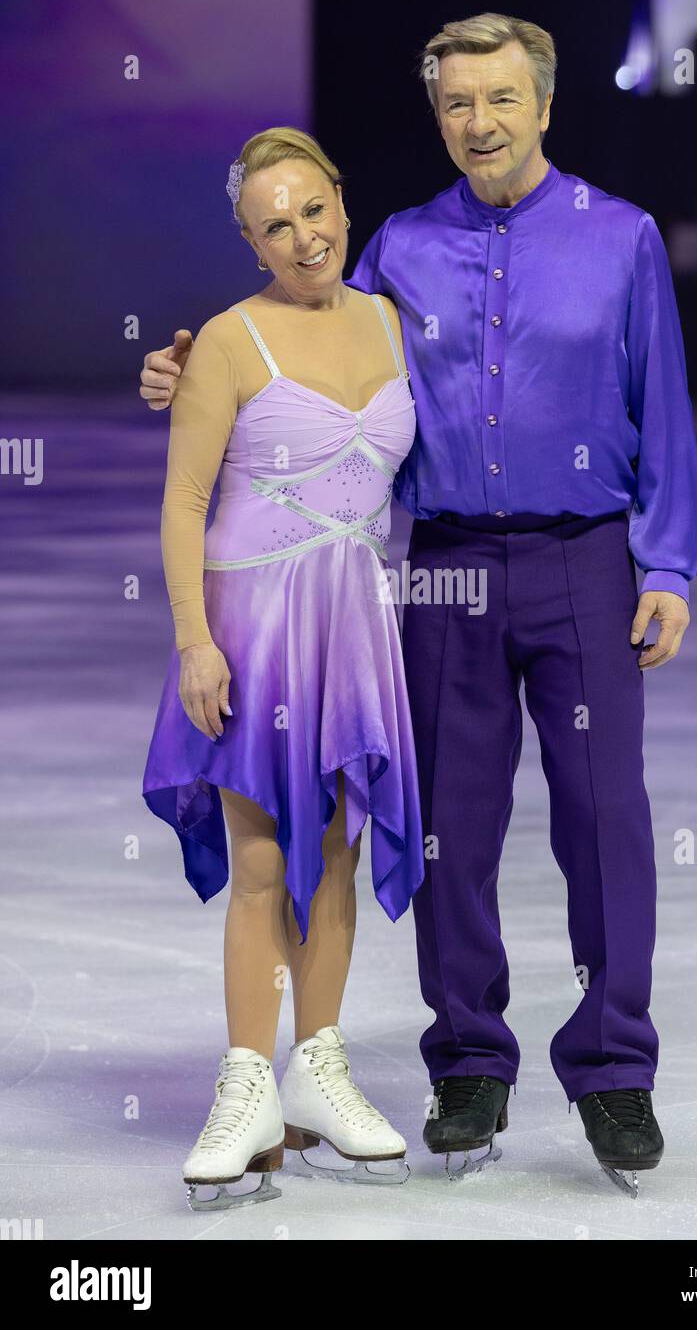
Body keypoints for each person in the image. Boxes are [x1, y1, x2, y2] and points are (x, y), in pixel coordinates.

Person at [141, 13, 697, 1196]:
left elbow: (665, 402)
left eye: (500, 99)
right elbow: (310, 353)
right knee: (452, 819)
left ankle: (611, 1069)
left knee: (603, 816)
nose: (478, 122)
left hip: (584, 560)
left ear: (543, 105)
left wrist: (667, 565)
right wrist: (185, 372)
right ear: (437, 115)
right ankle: (468, 1059)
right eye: (457, 103)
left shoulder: (622, 239)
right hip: (442, 564)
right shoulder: (395, 245)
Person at [141, 126, 425, 1209]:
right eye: (273, 225)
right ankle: (246, 1081)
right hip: (251, 625)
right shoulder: (225, 339)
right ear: (248, 239)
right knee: (263, 859)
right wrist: (192, 640)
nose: (301, 237)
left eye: (312, 210)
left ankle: (319, 1067)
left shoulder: (392, 318)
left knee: (338, 855)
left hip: (354, 621)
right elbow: (181, 502)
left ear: (341, 202)